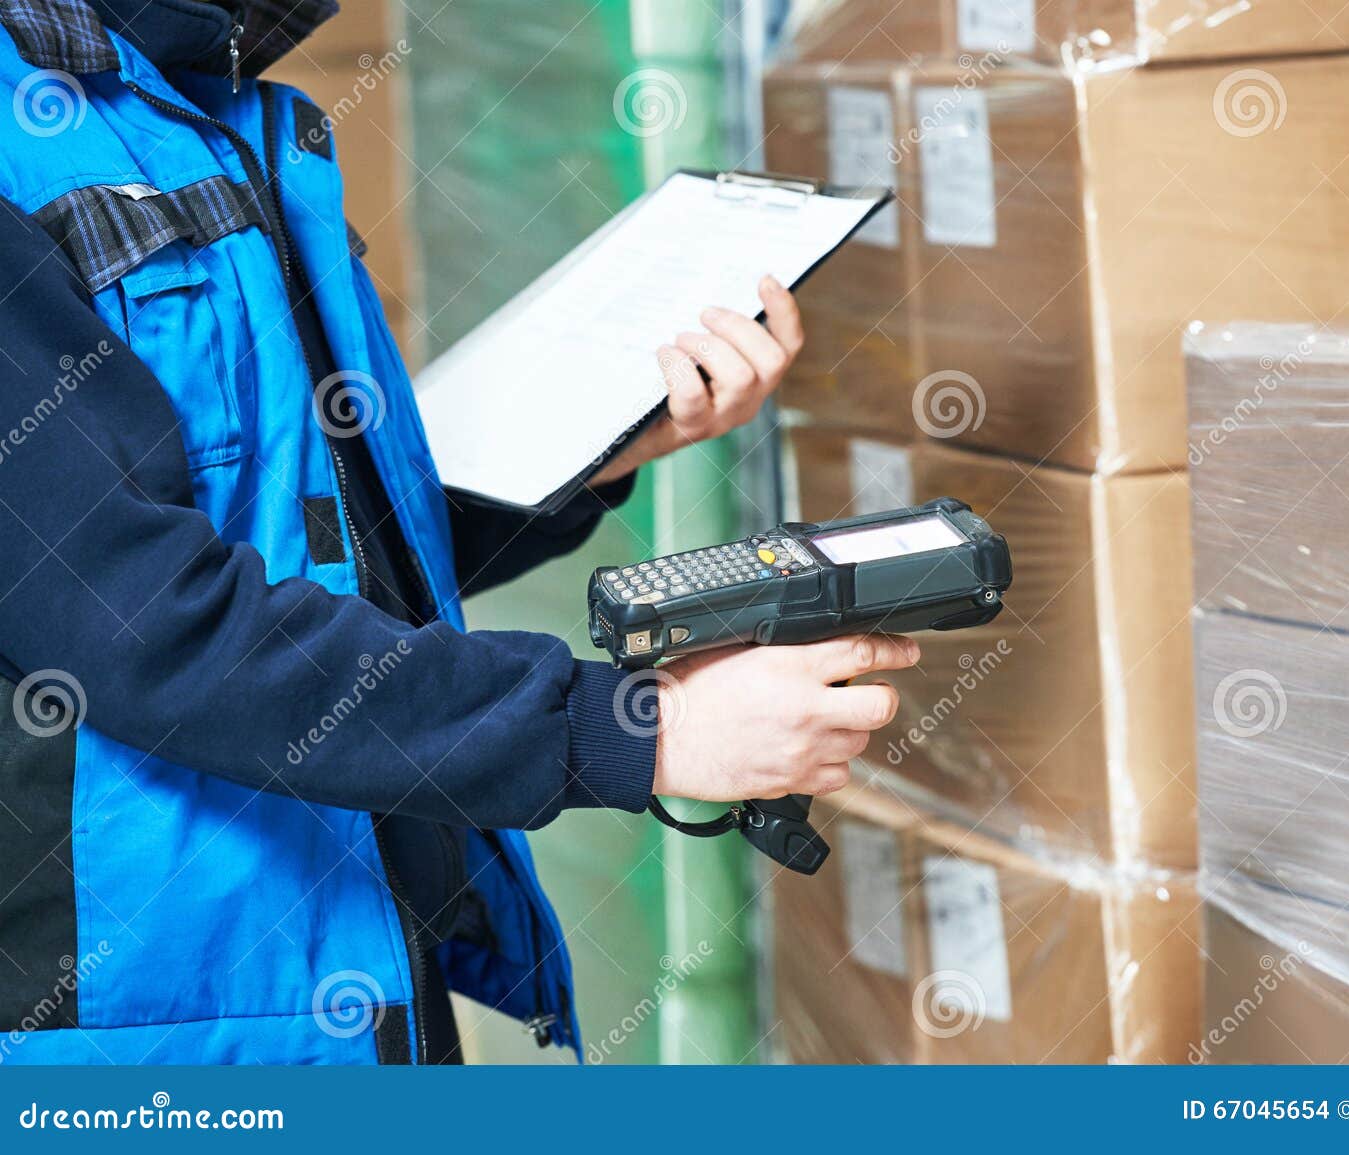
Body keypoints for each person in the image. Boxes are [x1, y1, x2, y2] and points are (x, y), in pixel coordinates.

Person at [0, 0, 915, 1065]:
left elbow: (315, 540)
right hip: (144, 1022)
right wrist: (638, 728)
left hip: (353, 953)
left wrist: (600, 450)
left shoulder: (214, 106)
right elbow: (151, 628)